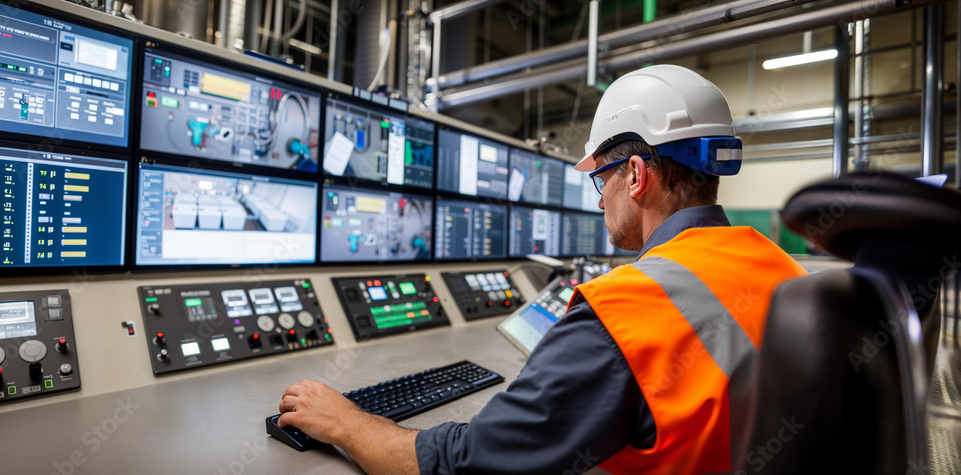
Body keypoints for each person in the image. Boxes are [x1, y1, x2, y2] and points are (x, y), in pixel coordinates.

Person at [277, 65, 808, 474]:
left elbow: (471, 463)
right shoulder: (781, 267)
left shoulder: (628, 309)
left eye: (603, 181)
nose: (600, 202)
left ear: (637, 177)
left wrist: (349, 424)